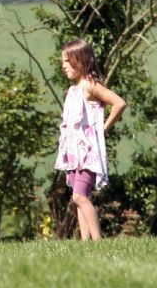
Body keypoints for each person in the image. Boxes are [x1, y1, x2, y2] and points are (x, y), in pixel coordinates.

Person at [54, 38, 126, 241]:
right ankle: (85, 243)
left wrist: (102, 129)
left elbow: (119, 103)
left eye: (68, 61)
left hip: (87, 152)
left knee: (79, 196)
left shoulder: (90, 86)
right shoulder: (73, 90)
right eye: (63, 61)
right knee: (77, 199)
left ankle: (98, 241)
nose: (64, 66)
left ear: (81, 60)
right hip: (74, 153)